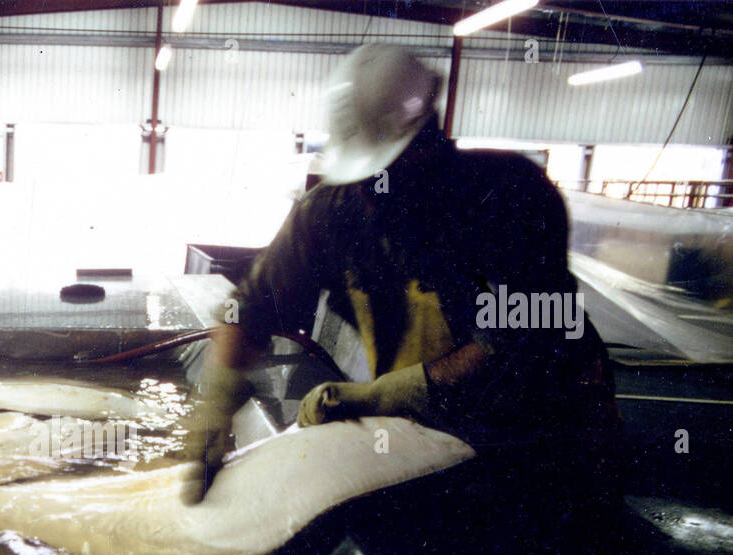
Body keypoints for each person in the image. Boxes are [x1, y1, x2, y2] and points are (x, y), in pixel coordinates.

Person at [183, 43, 621, 515]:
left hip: (546, 430)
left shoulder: (509, 195)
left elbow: (522, 340)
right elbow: (249, 312)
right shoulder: (332, 210)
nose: (374, 190)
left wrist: (384, 396)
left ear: (427, 138)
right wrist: (214, 409)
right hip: (429, 435)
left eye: (386, 170)